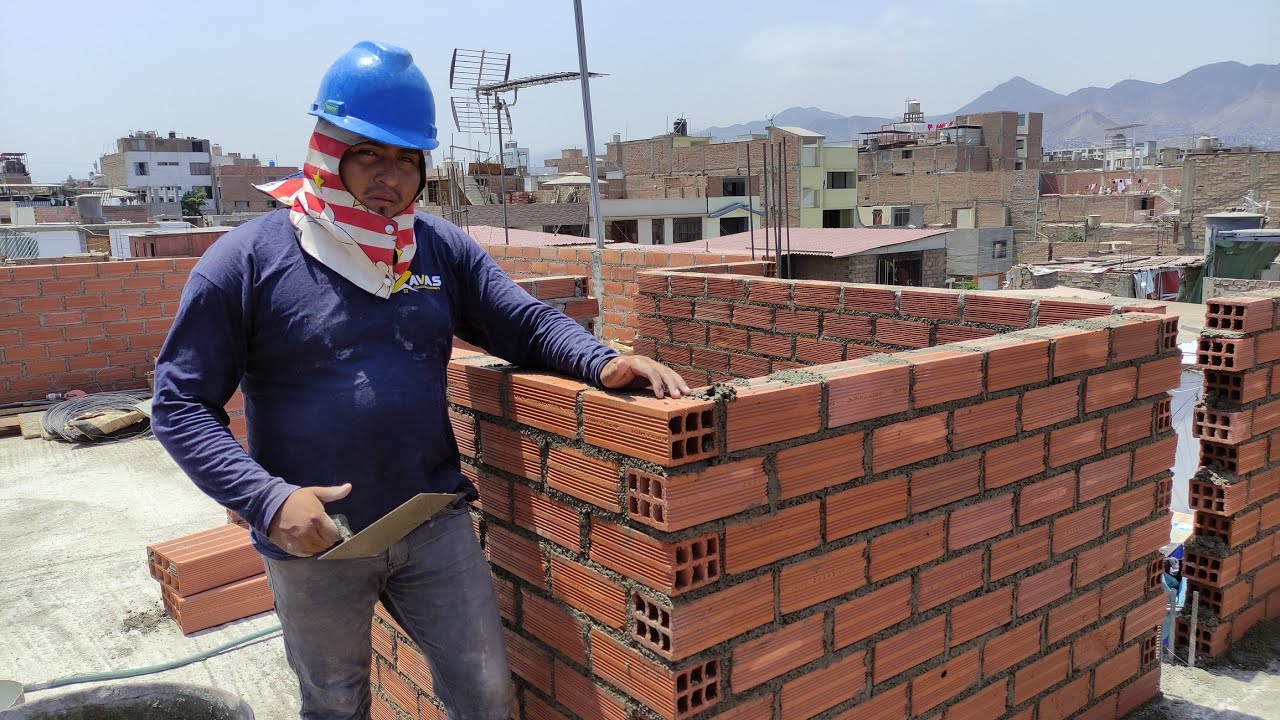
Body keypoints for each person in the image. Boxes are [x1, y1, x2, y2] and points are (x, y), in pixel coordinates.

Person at [151, 40, 689, 720]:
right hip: (319, 540)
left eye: (408, 158)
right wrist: (267, 500)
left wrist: (599, 359)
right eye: (369, 153)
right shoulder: (248, 261)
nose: (391, 176)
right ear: (325, 149)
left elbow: (517, 320)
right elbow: (178, 404)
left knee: (486, 692)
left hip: (430, 519)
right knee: (335, 703)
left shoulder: (432, 247)